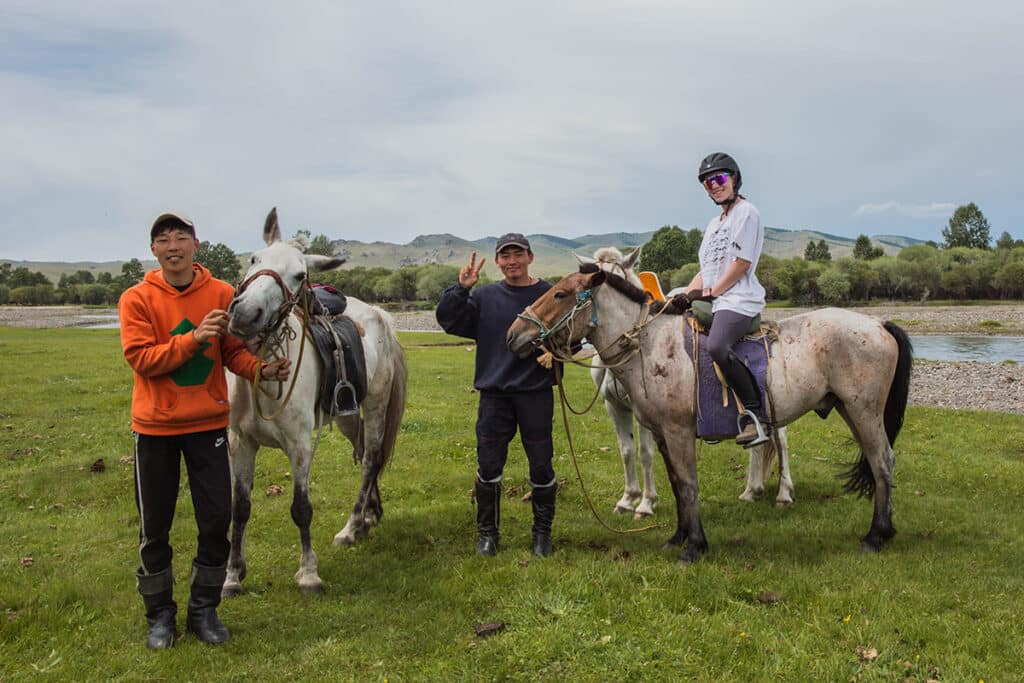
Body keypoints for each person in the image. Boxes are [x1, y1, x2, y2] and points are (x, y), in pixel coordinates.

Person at [119, 212, 290, 649]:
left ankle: (203, 610)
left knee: (216, 520)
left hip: (210, 426)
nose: (173, 245)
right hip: (154, 429)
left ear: (197, 245)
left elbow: (232, 352)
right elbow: (142, 359)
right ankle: (159, 616)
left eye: (181, 237)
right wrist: (193, 340)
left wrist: (263, 369)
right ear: (153, 249)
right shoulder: (136, 299)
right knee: (154, 526)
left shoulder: (220, 293)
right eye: (163, 239)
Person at [435, 233, 558, 557]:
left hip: (535, 393)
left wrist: (557, 352)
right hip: (494, 395)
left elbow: (570, 336)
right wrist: (461, 289)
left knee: (542, 467)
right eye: (505, 256)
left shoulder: (548, 294)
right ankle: (487, 535)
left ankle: (542, 535)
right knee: (488, 467)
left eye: (518, 254)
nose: (512, 261)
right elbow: (448, 320)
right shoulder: (485, 296)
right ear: (498, 261)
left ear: (530, 257)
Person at [679, 152, 770, 447]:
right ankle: (712, 415)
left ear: (734, 178)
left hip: (739, 299)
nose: (714, 185)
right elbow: (705, 272)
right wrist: (681, 296)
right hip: (716, 298)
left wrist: (712, 292)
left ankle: (756, 416)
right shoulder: (713, 224)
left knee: (718, 345)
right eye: (707, 183)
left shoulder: (747, 213)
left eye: (718, 178)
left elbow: (741, 263)